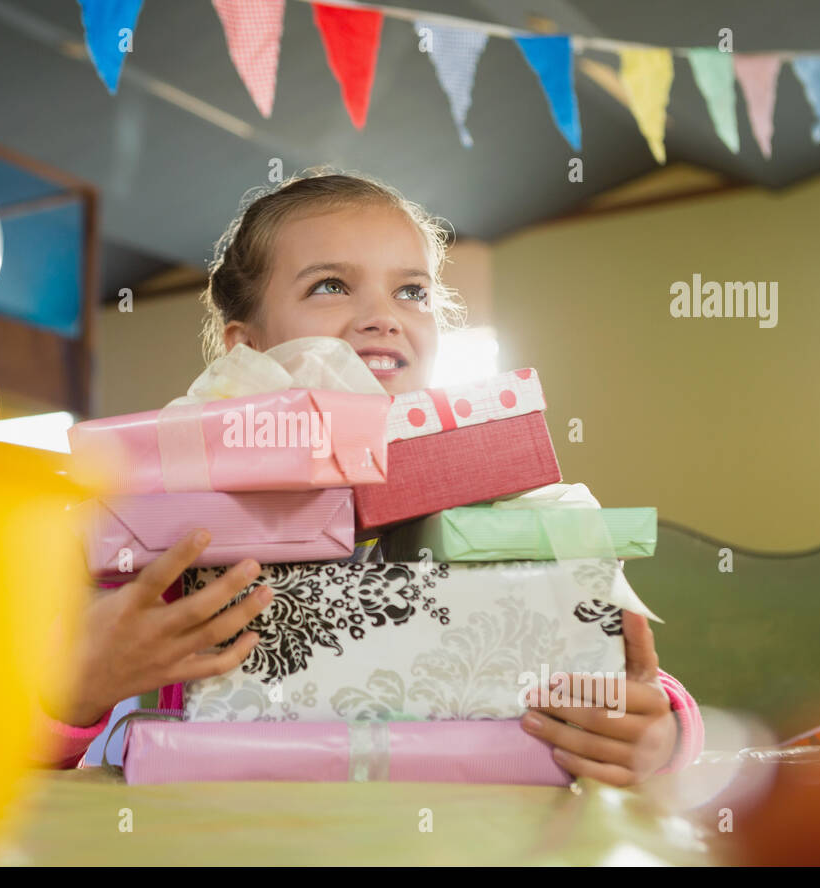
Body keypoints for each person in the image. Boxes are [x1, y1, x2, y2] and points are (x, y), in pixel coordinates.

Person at [39, 170, 703, 785]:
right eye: (330, 285)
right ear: (245, 348)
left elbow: (614, 678)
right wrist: (75, 694)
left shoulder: (504, 494)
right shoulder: (174, 518)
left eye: (411, 291)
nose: (384, 315)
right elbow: (13, 743)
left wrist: (659, 729)